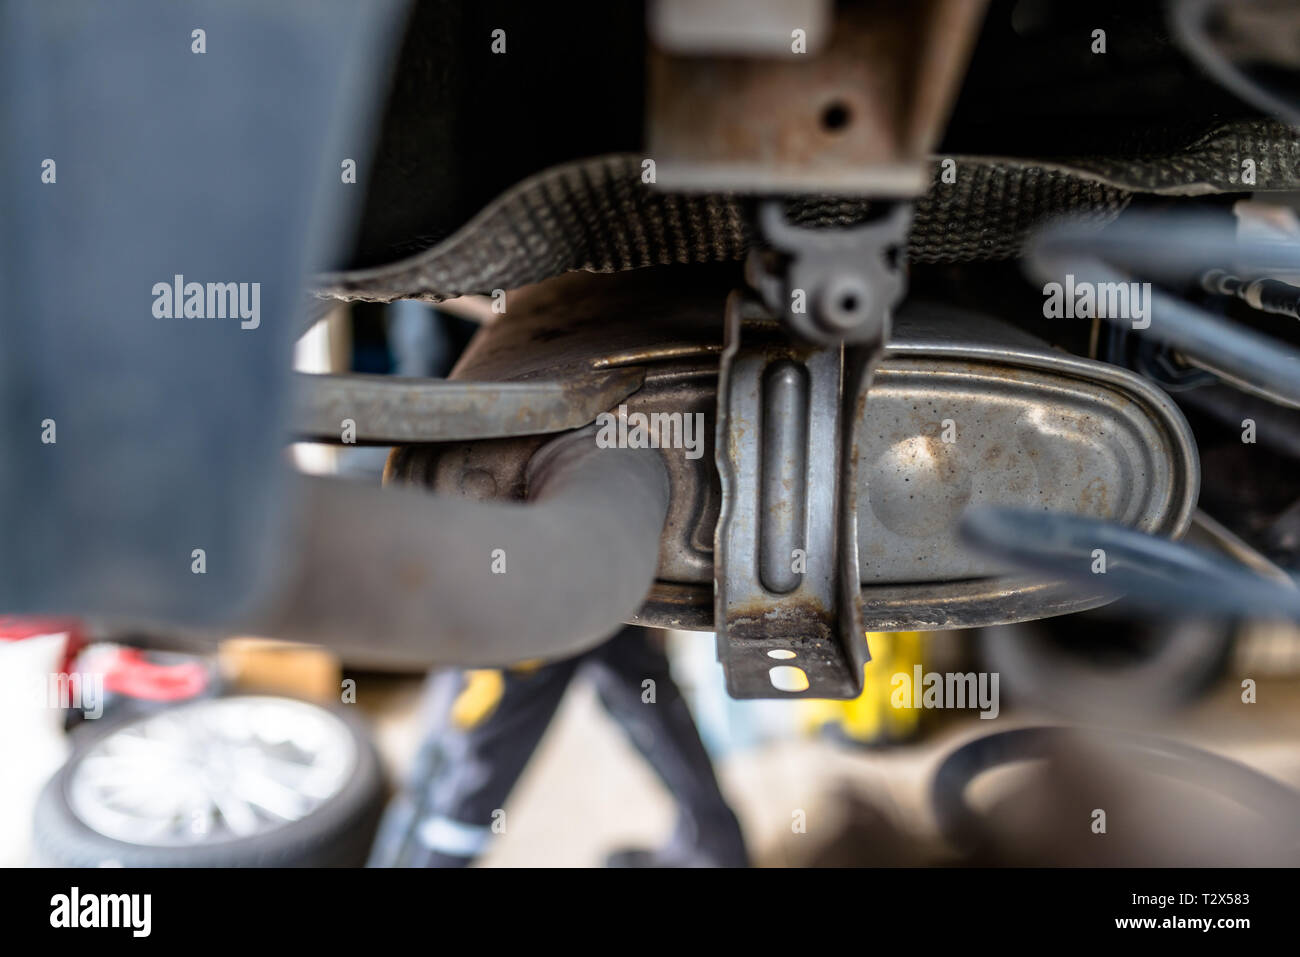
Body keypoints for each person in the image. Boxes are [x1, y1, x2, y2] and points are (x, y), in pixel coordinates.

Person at [368, 624, 748, 867]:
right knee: (633, 672)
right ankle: (715, 849)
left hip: (528, 583)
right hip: (610, 552)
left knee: (468, 758)